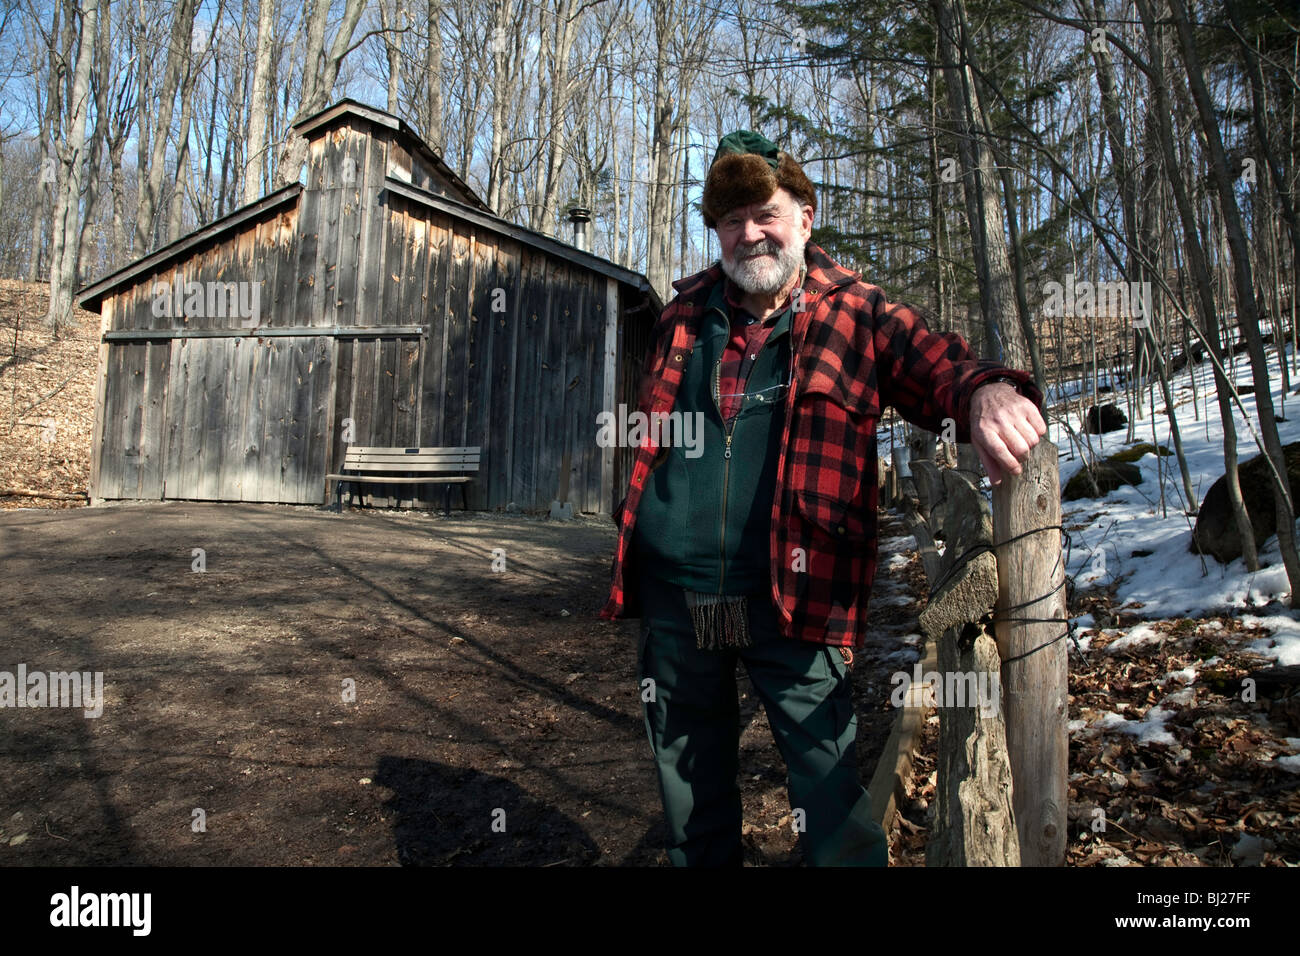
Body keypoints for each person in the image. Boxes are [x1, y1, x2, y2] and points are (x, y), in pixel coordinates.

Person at [599, 130, 1047, 866]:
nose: (749, 233)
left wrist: (985, 391)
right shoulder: (684, 316)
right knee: (691, 798)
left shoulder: (857, 314)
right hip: (680, 604)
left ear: (806, 215)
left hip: (796, 600)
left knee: (832, 800)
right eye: (730, 219)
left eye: (764, 212)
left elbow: (937, 360)